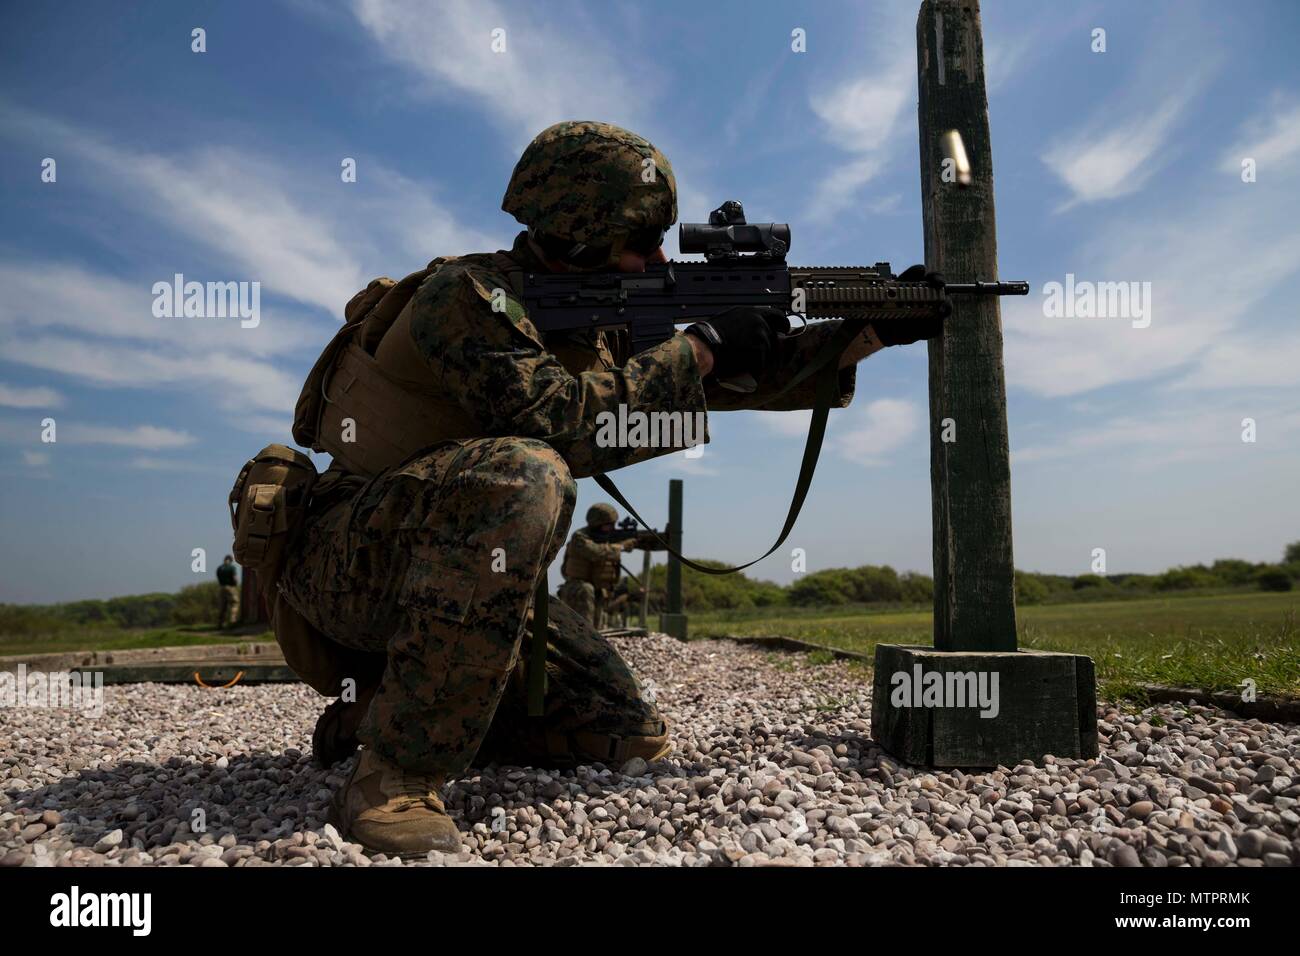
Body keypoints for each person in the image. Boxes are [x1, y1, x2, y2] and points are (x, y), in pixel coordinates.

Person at [275, 120, 936, 857]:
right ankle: (395, 774)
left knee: (625, 734)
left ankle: (376, 713)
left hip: (459, 583)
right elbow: (551, 420)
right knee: (526, 472)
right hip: (350, 565)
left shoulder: (600, 321)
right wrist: (701, 347)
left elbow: (716, 383)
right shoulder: (465, 298)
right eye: (639, 241)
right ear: (574, 235)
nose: (658, 258)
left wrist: (866, 332)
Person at [556, 503, 637, 628]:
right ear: (596, 524)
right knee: (582, 629)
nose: (611, 528)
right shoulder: (579, 537)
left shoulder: (607, 539)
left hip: (598, 591)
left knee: (597, 632)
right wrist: (621, 547)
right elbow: (596, 552)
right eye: (608, 525)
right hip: (579, 590)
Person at [216, 555, 240, 629]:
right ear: (230, 560)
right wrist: (236, 585)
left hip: (221, 588)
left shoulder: (219, 568)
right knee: (234, 603)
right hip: (230, 587)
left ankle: (221, 623)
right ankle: (233, 620)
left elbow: (218, 578)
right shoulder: (231, 568)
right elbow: (234, 578)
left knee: (222, 606)